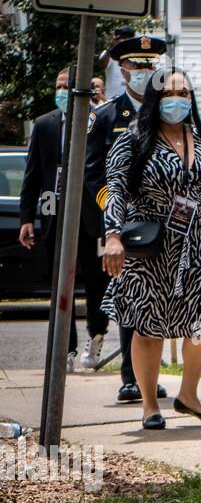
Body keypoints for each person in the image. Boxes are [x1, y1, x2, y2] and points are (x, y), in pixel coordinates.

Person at [100, 69, 201, 430]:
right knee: (149, 326)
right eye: (168, 94)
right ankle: (149, 404)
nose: (178, 100)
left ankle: (189, 394)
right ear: (154, 100)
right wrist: (113, 235)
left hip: (198, 248)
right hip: (152, 248)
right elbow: (115, 188)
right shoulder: (133, 141)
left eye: (184, 93)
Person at [88, 35, 171, 401]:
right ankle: (130, 377)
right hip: (121, 224)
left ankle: (149, 376)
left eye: (150, 67)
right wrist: (115, 214)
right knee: (129, 297)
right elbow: (93, 174)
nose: (145, 73)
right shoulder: (105, 116)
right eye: (138, 67)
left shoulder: (167, 113)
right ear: (123, 71)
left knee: (155, 299)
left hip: (163, 223)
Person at [18, 67, 112, 373]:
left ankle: (96, 336)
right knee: (61, 283)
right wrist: (26, 217)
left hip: (90, 215)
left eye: (65, 86)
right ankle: (65, 348)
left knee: (97, 282)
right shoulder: (44, 125)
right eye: (57, 85)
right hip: (53, 212)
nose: (60, 91)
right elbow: (33, 174)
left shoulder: (97, 120)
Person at [96, 25, 135, 102]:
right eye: (123, 37)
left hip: (131, 100)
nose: (126, 40)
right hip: (112, 100)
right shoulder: (109, 53)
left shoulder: (136, 55)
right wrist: (111, 48)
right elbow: (101, 65)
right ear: (116, 39)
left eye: (129, 37)